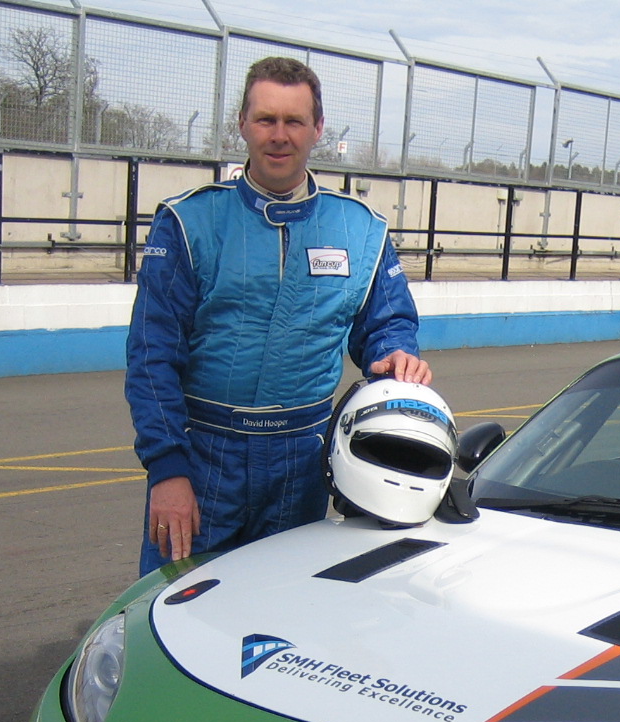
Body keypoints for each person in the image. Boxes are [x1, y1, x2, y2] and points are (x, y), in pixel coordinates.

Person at [125, 56, 432, 575]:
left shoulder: (361, 228)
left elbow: (387, 325)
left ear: (317, 129)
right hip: (202, 460)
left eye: (293, 122)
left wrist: (394, 355)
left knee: (285, 620)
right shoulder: (189, 221)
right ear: (242, 125)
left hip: (302, 465)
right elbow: (152, 355)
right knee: (175, 608)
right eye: (266, 119)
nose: (279, 135)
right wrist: (168, 468)